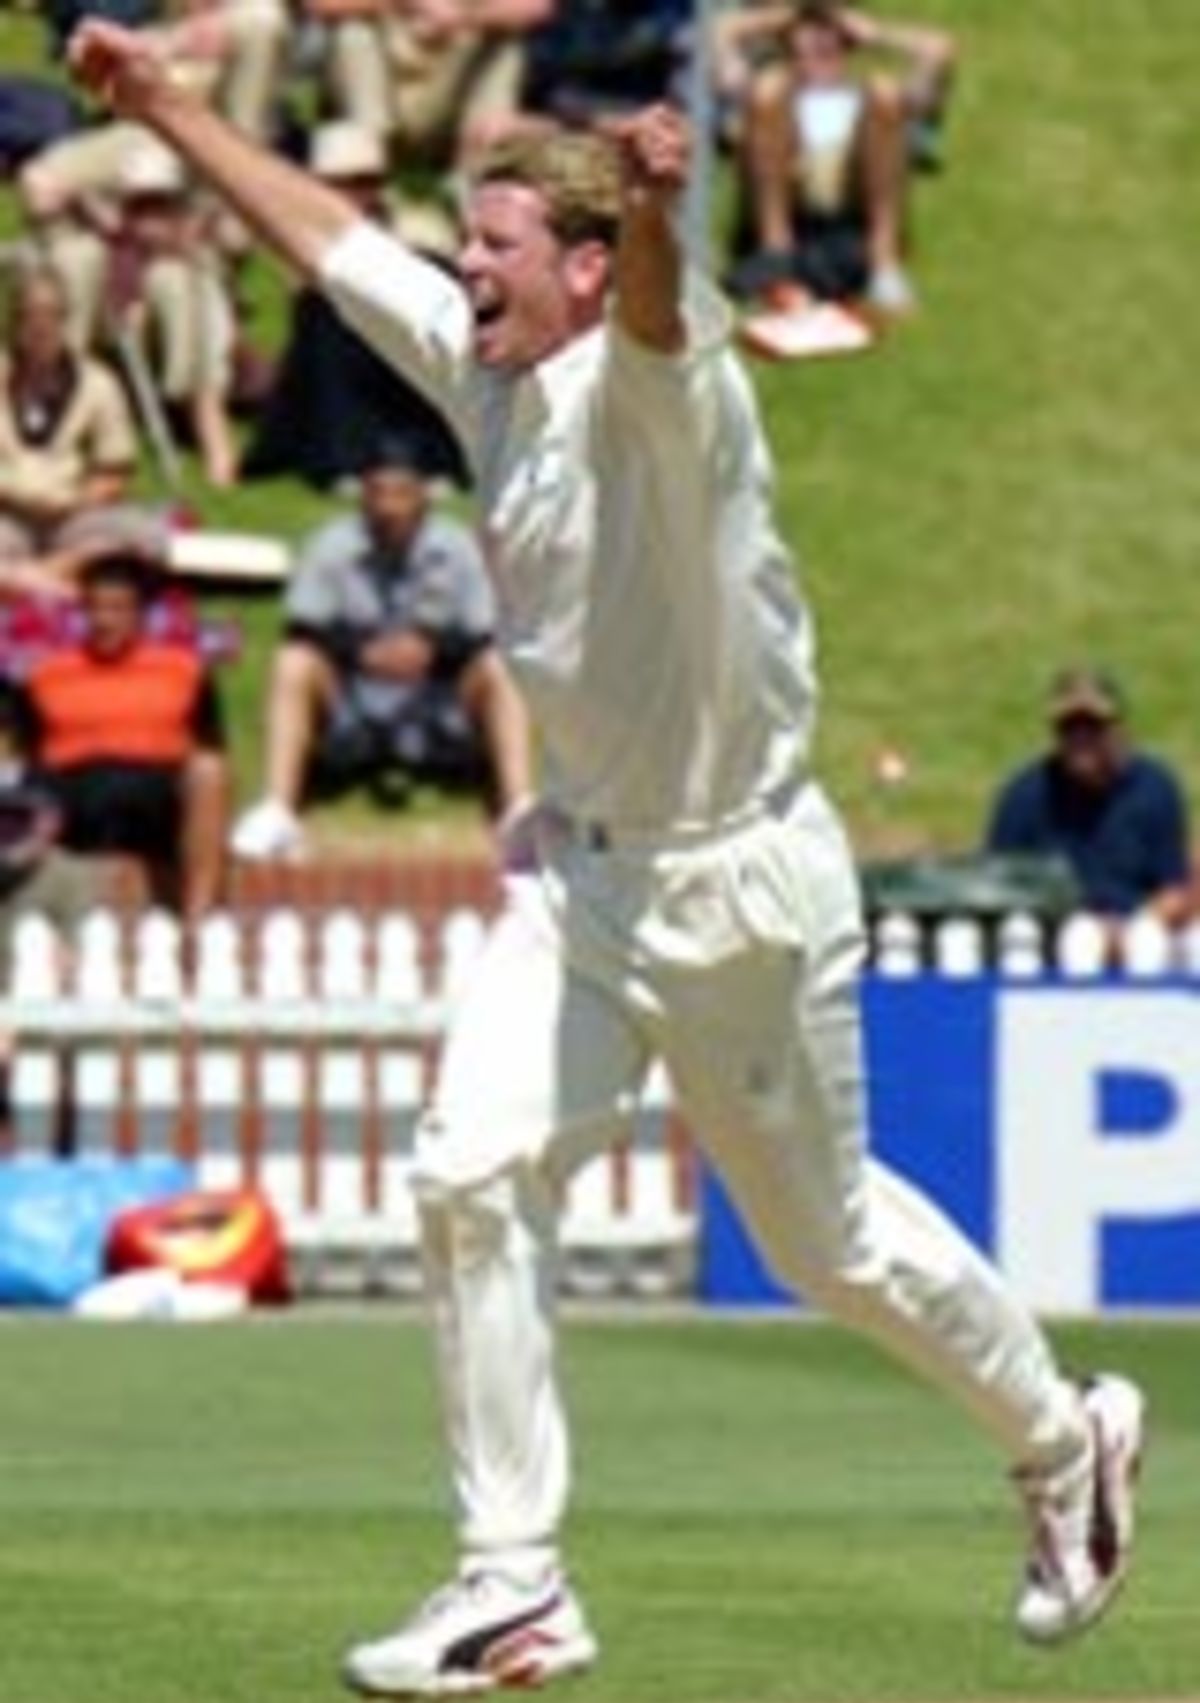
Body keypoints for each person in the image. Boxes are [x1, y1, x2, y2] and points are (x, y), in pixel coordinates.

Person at [69, 21, 1145, 1696]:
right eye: (467, 243)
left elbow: (648, 313)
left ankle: (1062, 1435)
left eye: (495, 246)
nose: (461, 268)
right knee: (470, 1174)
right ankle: (514, 1582)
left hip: (740, 883)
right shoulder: (483, 361)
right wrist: (176, 106)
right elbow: (330, 242)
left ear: (577, 263)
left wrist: (654, 208)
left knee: (827, 1244)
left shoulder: (668, 390)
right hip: (579, 879)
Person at [230, 446, 531, 861]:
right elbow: (303, 624)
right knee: (293, 662)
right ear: (362, 496)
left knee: (498, 667)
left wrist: (429, 649)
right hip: (352, 699)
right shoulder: (332, 544)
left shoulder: (459, 546)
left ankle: (518, 810)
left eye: (401, 493)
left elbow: (485, 629)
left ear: (425, 495)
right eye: (378, 492)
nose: (389, 506)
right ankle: (279, 808)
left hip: (440, 701)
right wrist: (363, 651)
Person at [20, 549, 231, 923]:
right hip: (72, 797)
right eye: (94, 609)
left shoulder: (183, 672)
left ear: (141, 616)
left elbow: (210, 745)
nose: (105, 621)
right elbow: (29, 753)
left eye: (118, 609)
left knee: (209, 772)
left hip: (155, 797)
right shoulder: (46, 677)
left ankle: (200, 920)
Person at [727, 0, 939, 314]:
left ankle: (884, 260)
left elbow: (937, 50)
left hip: (850, 193)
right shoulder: (775, 94)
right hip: (790, 189)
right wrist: (795, 13)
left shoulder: (861, 97)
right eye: (811, 34)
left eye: (832, 36)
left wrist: (875, 32)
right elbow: (722, 34)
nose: (822, 43)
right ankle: (776, 253)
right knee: (766, 92)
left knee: (886, 93)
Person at [986, 666, 1193, 928]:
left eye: (1093, 727)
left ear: (1119, 729)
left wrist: (1130, 932)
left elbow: (1173, 890)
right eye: (1068, 728)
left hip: (1138, 927)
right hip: (1054, 932)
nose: (1080, 738)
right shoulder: (1025, 796)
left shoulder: (1154, 788)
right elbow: (996, 886)